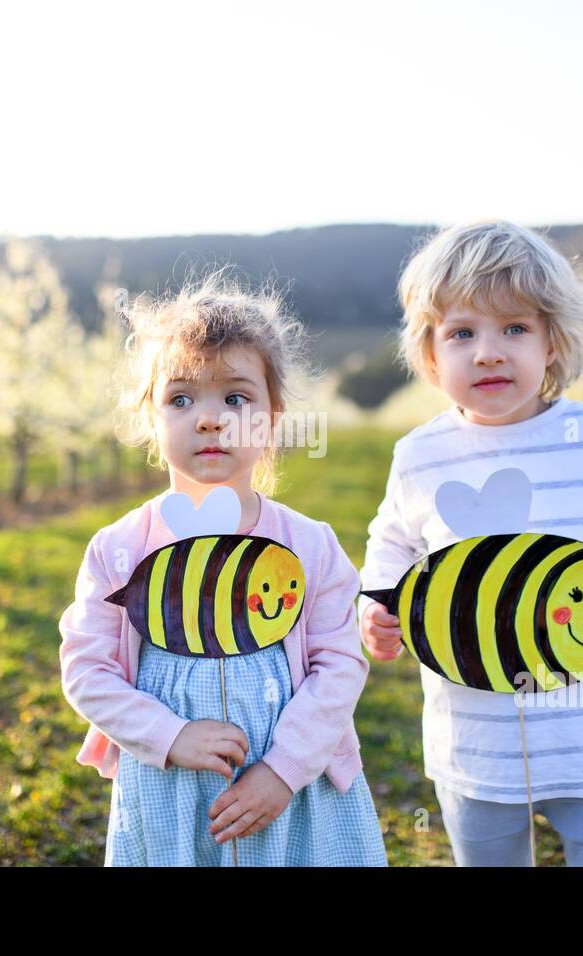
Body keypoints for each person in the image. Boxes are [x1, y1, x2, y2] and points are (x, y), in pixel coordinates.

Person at [359, 220, 583, 866]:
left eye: (514, 328)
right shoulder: (419, 456)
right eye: (462, 332)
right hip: (475, 744)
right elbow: (390, 543)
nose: (488, 352)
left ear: (553, 342)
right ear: (431, 355)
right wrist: (377, 606)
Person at [59, 268, 388, 866]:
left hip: (294, 794)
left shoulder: (309, 546)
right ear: (150, 420)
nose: (209, 419)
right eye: (180, 398)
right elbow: (87, 668)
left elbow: (339, 664)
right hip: (172, 791)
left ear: (272, 417)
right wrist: (169, 736)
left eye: (235, 397)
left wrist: (284, 770)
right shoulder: (120, 548)